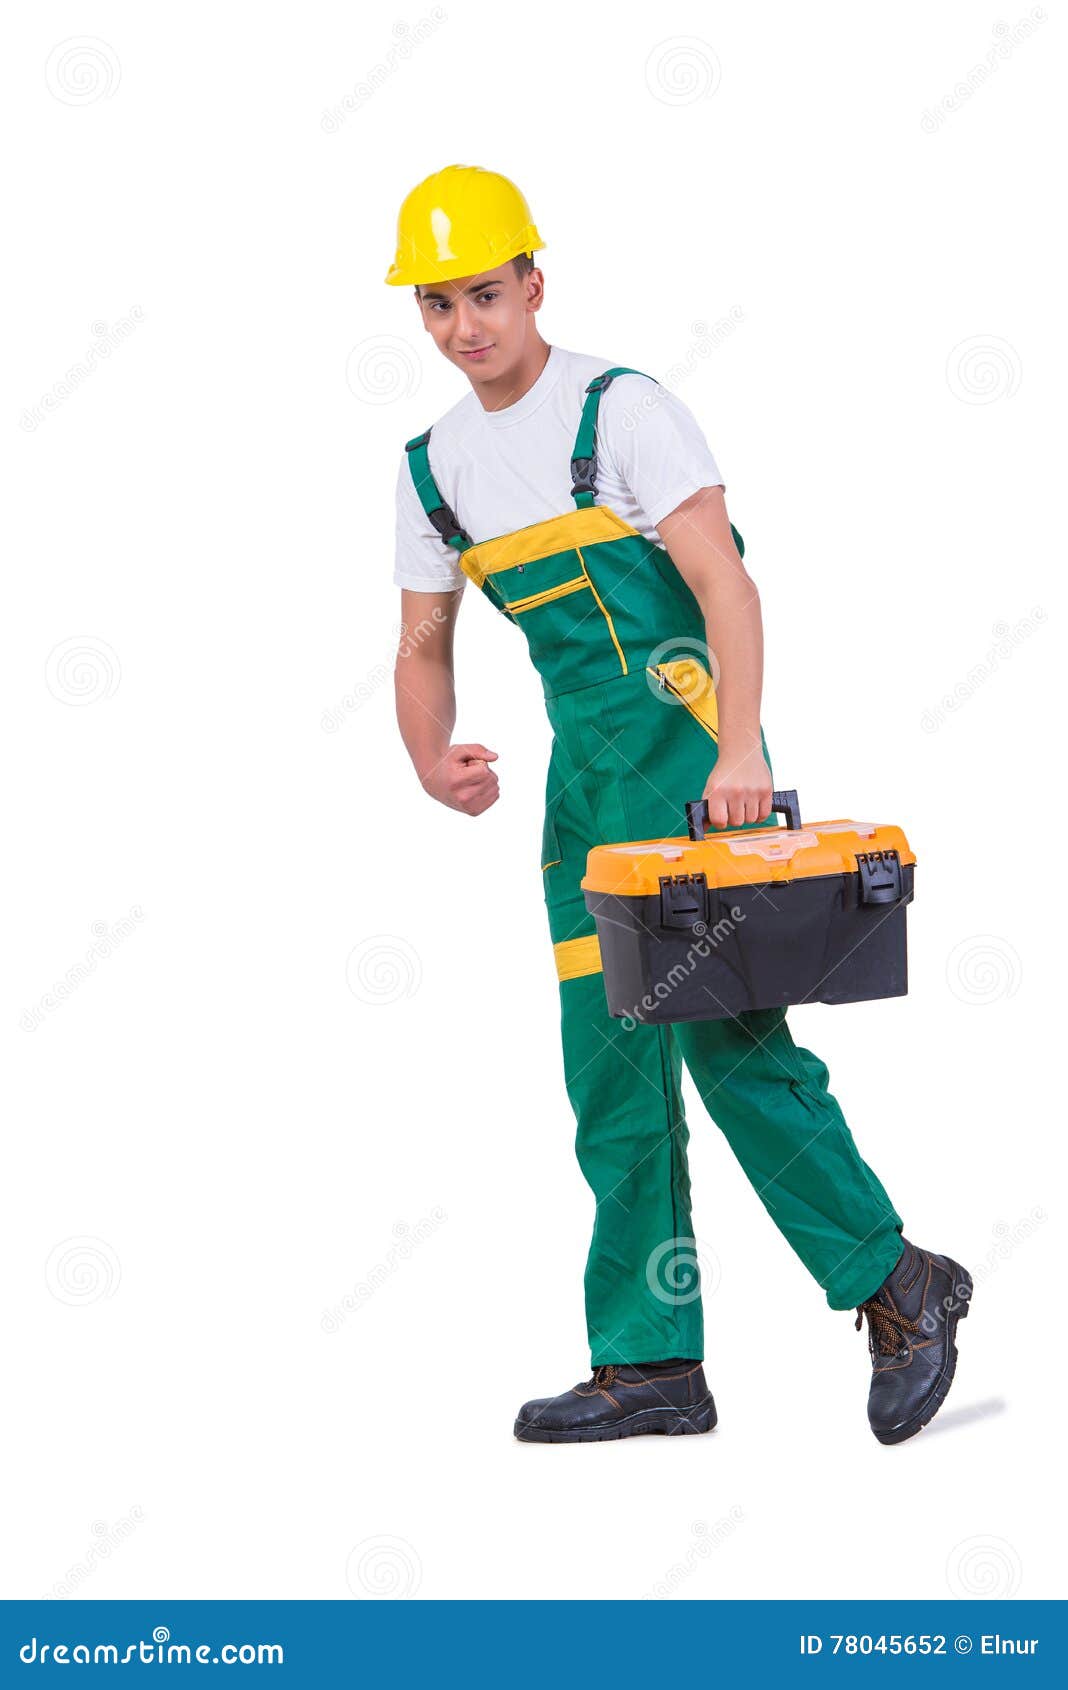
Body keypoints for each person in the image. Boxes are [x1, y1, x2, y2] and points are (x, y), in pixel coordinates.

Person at [388, 164, 971, 1446]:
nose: (463, 324)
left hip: (699, 771)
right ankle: (650, 1361)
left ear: (533, 283)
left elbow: (726, 589)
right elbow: (423, 642)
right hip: (587, 800)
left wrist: (740, 749)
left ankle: (896, 1282)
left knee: (730, 1050)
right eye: (436, 302)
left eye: (484, 293)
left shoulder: (621, 411)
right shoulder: (434, 469)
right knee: (609, 1072)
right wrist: (431, 756)